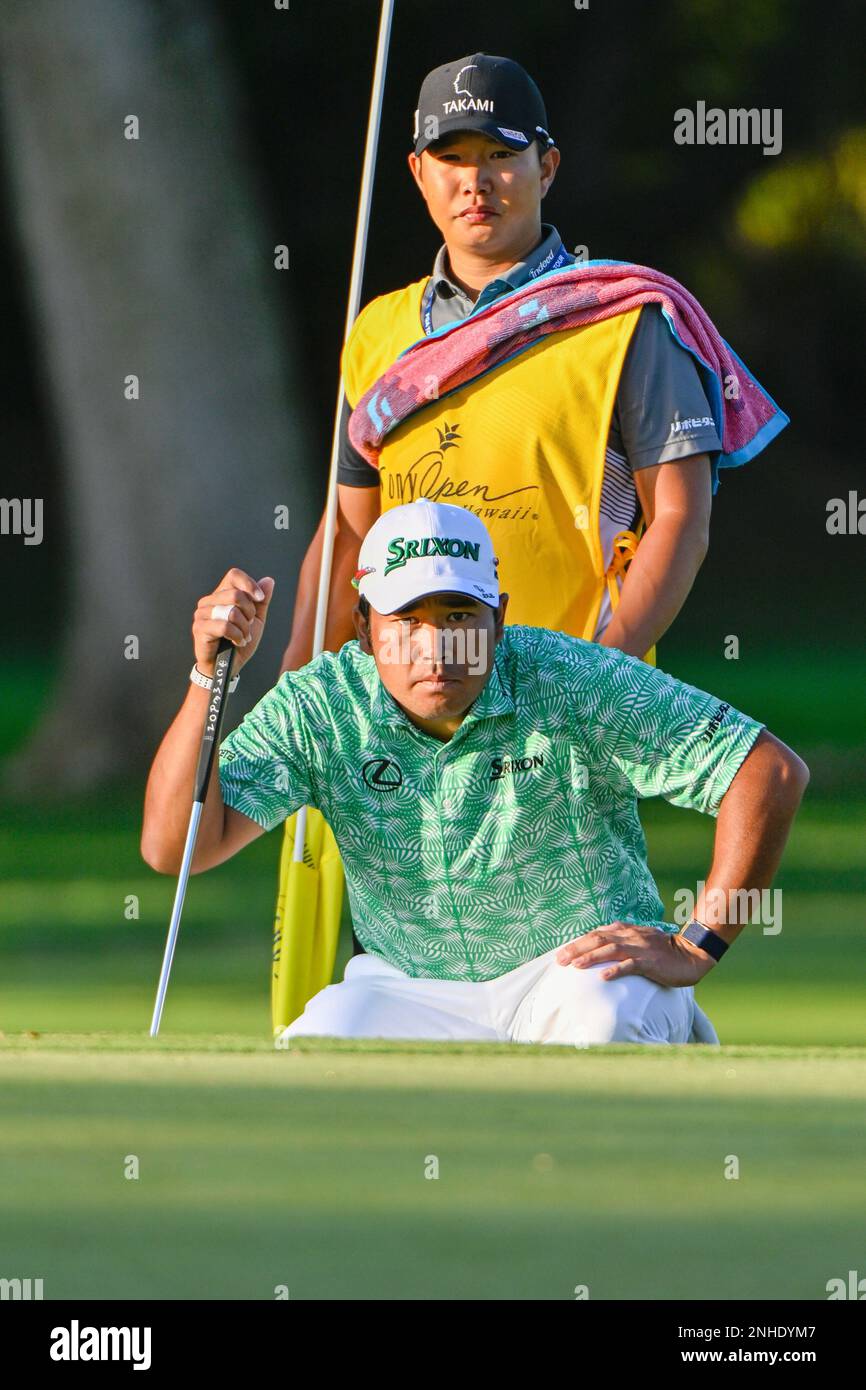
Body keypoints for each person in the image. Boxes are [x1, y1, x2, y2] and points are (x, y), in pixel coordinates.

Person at [140, 500, 809, 1048]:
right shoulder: (321, 705)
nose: (436, 649)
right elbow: (175, 847)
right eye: (407, 620)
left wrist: (697, 947)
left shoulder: (569, 678)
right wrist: (209, 676)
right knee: (321, 1053)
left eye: (460, 616)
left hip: (581, 974)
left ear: (500, 616)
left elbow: (769, 771)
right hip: (406, 988)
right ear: (364, 625)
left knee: (606, 1023)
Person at [280, 51, 752, 676]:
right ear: (418, 172)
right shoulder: (376, 331)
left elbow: (681, 519)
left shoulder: (623, 320)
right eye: (451, 157)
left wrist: (596, 676)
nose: (475, 181)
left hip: (574, 702)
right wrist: (295, 682)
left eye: (501, 155)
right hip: (418, 710)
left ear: (546, 166)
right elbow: (349, 531)